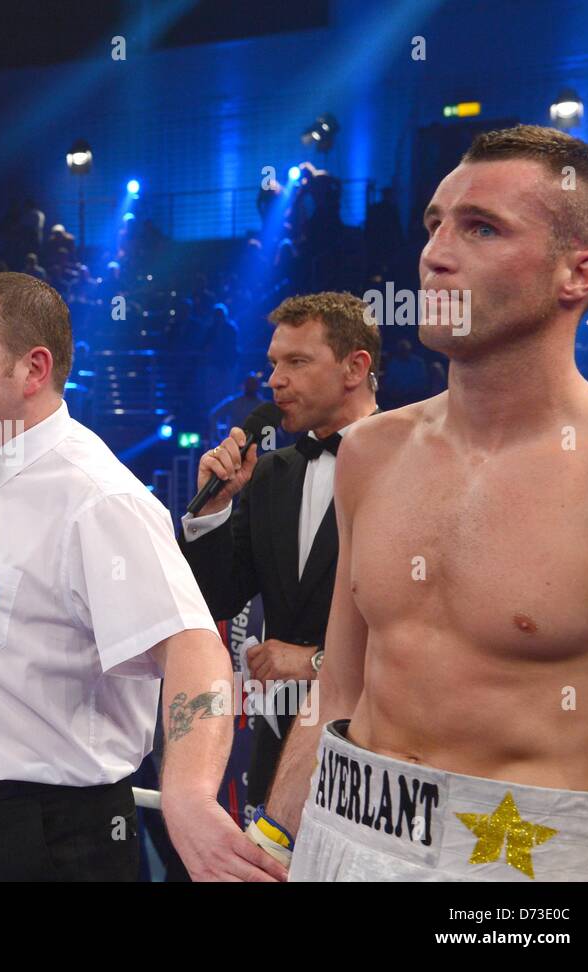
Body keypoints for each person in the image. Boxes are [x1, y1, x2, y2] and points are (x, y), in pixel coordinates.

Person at [0, 94, 285, 882]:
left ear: (32, 370)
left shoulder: (95, 497)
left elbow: (195, 651)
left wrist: (183, 794)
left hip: (52, 840)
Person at [251, 125, 588, 881]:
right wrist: (276, 839)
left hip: (528, 866)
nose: (434, 253)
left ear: (579, 274)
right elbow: (343, 686)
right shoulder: (371, 453)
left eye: (481, 227)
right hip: (345, 831)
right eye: (434, 223)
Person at [181, 292, 380, 813]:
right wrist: (213, 511)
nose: (274, 381)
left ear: (355, 367)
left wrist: (316, 661)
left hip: (371, 747)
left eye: (296, 362)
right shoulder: (272, 472)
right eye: (273, 364)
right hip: (276, 741)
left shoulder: (410, 465)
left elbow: (433, 636)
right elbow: (217, 599)